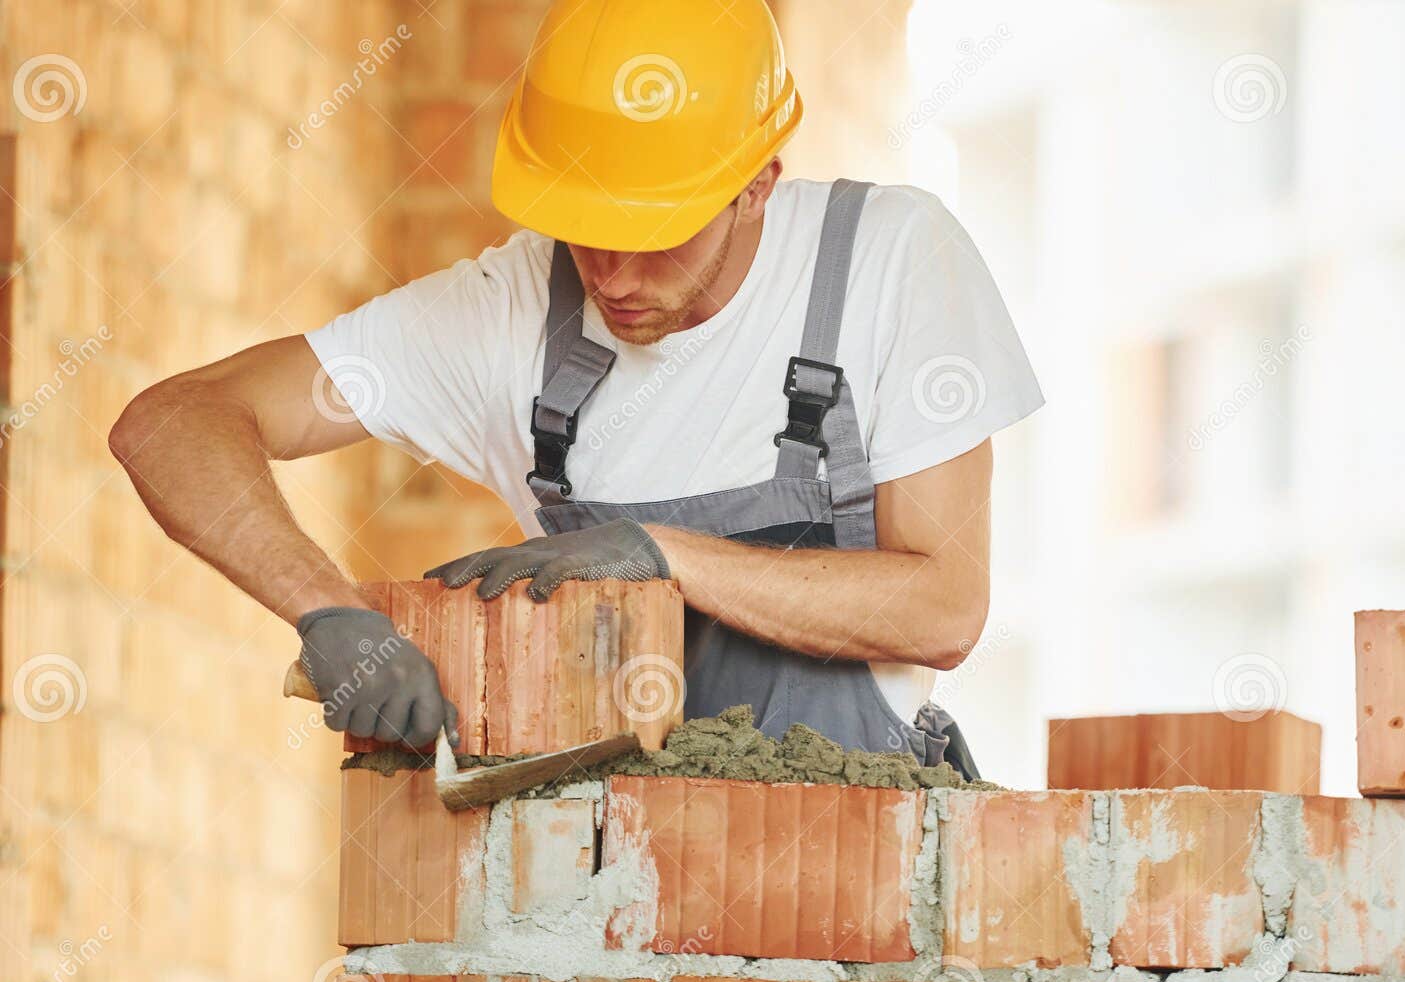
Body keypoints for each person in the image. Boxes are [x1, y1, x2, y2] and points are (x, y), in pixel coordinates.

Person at [109, 0, 1041, 778]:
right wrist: (325, 608)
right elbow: (173, 423)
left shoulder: (886, 263)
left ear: (756, 184)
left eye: (657, 231)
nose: (615, 275)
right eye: (586, 226)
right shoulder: (510, 309)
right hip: (598, 888)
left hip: (837, 878)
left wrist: (664, 556)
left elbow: (945, 608)